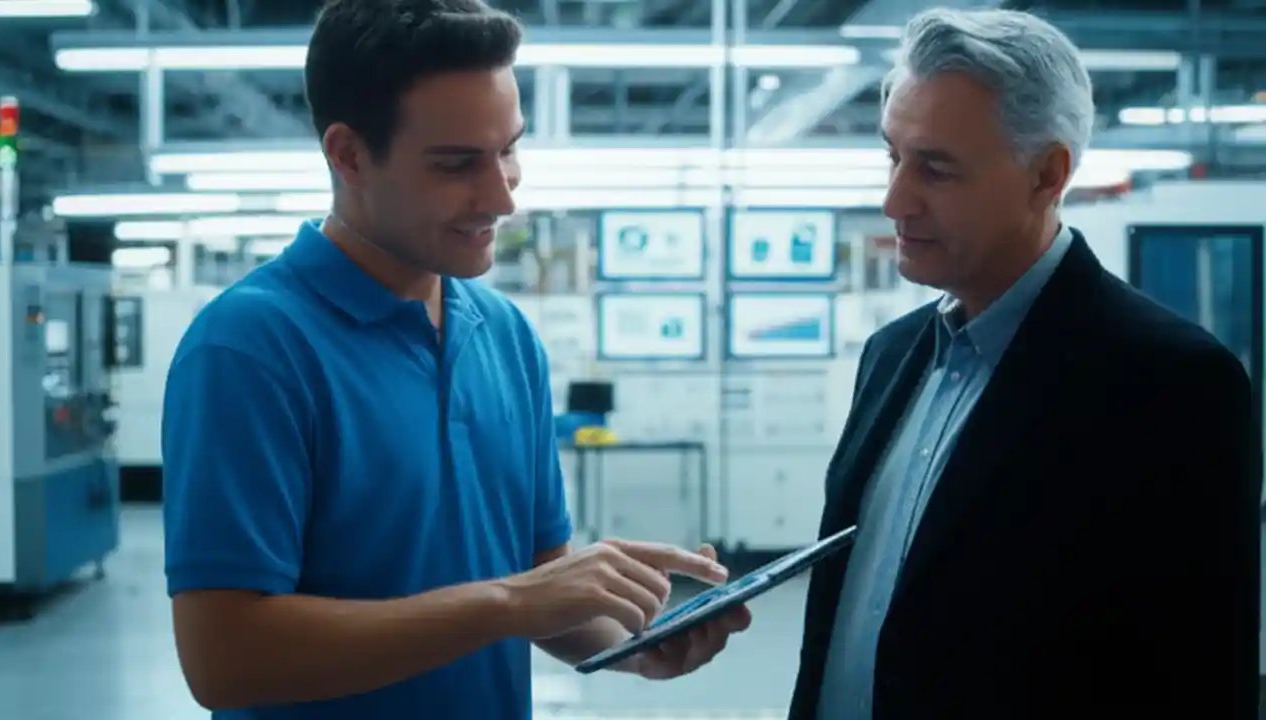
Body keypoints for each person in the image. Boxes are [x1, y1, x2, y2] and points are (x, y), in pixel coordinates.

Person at [160, 1, 750, 718]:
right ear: (349, 155)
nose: (502, 196)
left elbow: (534, 572)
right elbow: (225, 658)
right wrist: (505, 603)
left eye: (509, 150)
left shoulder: (505, 336)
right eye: (457, 164)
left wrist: (632, 642)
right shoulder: (250, 349)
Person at [788, 8, 1260, 720]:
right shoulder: (891, 357)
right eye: (893, 157)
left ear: (1047, 174)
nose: (894, 201)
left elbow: (1199, 675)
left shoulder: (1170, 385)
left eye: (935, 169)